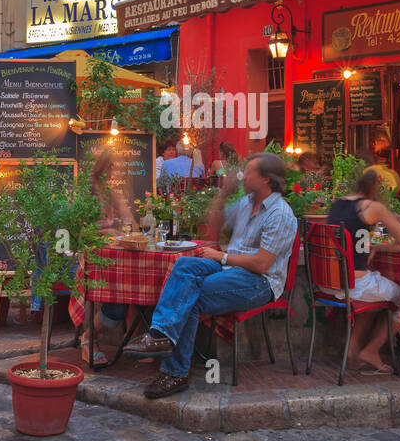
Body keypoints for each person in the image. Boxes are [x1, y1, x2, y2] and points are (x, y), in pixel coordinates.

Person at [123, 152, 298, 398]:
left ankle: (174, 370)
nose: (243, 175)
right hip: (231, 268)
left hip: (260, 282)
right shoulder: (248, 202)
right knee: (184, 267)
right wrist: (223, 192)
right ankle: (161, 336)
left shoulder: (279, 214)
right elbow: (213, 224)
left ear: (266, 180)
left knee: (191, 295)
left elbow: (261, 264)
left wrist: (221, 257)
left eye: (249, 172)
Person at [325, 169, 400, 374]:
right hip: (355, 284)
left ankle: (352, 350)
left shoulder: (338, 203)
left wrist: (372, 246)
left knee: (374, 298)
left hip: (329, 283)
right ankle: (372, 350)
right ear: (378, 188)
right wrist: (383, 240)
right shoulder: (374, 207)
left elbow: (355, 237)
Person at [80, 152, 135, 364]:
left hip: (112, 255)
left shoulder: (109, 192)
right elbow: (80, 230)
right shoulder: (88, 193)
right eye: (111, 168)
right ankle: (88, 338)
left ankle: (137, 340)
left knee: (134, 285)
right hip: (90, 257)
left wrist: (122, 208)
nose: (113, 173)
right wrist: (106, 233)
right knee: (121, 293)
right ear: (103, 168)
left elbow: (128, 221)